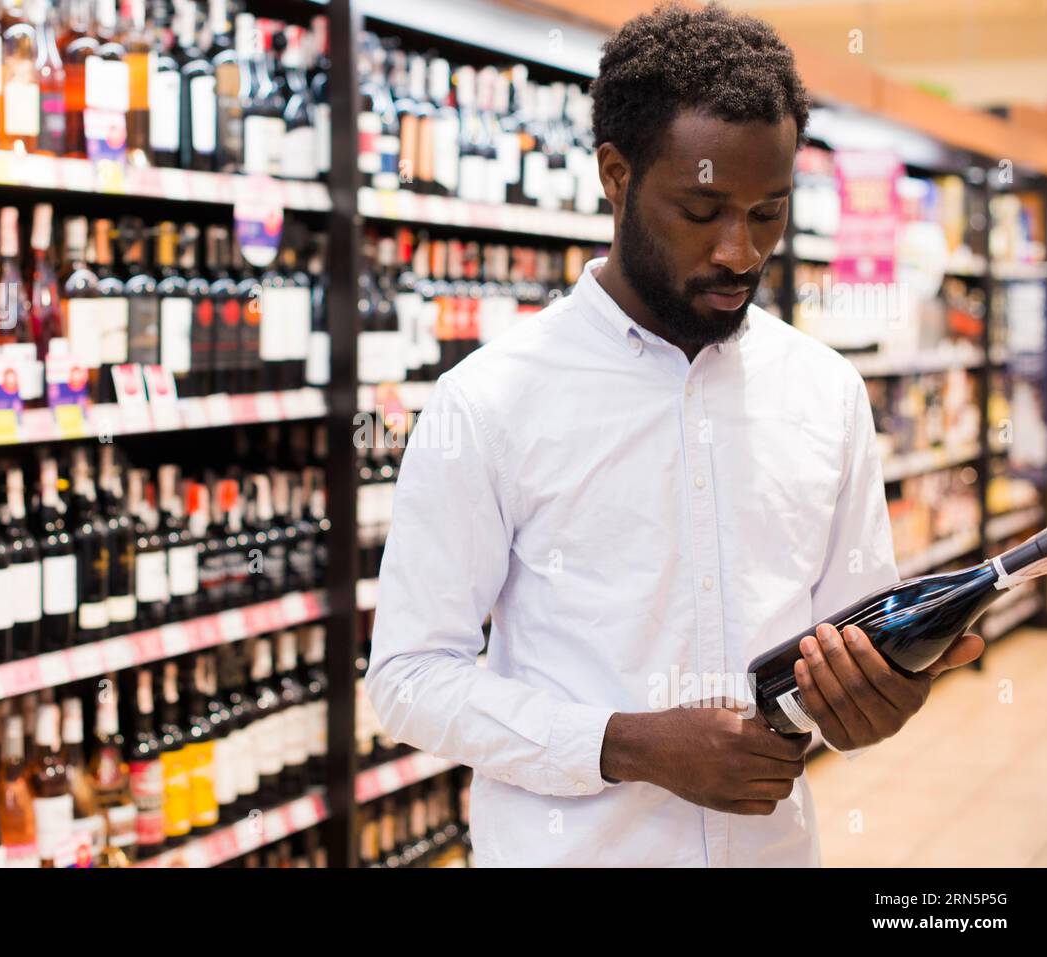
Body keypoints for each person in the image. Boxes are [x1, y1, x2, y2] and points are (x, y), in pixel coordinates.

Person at [366, 3, 984, 867]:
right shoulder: (488, 402)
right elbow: (406, 680)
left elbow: (851, 646)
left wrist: (879, 699)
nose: (740, 251)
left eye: (768, 213)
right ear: (616, 176)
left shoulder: (826, 392)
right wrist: (626, 742)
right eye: (703, 210)